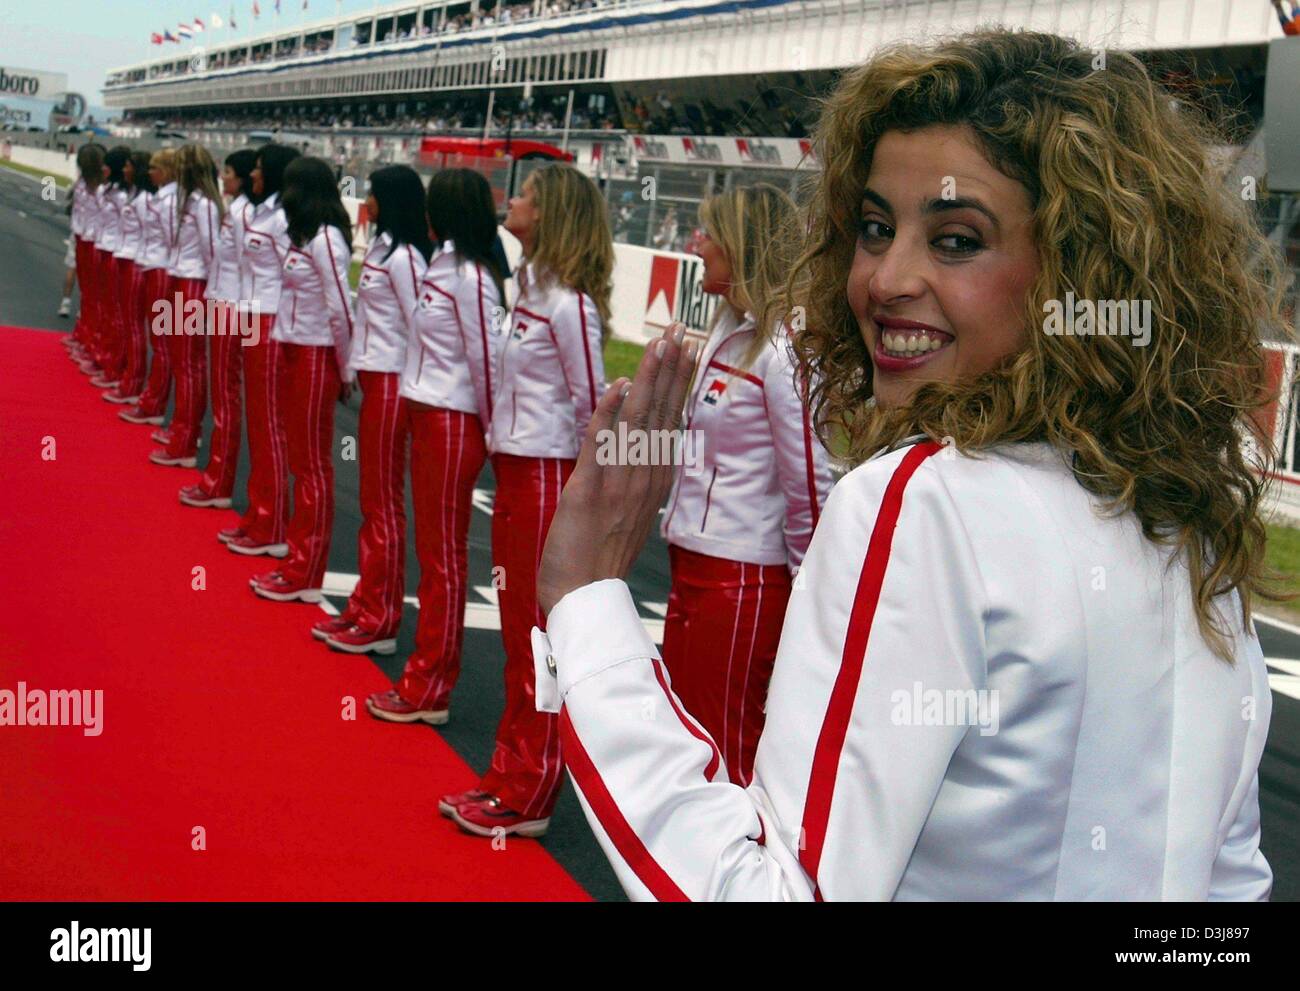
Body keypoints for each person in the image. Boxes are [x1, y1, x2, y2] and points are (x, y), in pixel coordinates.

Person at [532, 29, 1284, 900]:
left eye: (956, 240)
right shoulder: (1193, 530)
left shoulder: (923, 504)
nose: (885, 279)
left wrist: (588, 606)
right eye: (876, 228)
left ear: (1075, 271)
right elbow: (1228, 893)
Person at [443, 164, 611, 839]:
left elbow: (592, 410)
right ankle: (509, 769)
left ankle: (531, 787)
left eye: (527, 196)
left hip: (546, 478)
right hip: (516, 473)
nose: (511, 202)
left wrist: (583, 506)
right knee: (519, 639)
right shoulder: (532, 290)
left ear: (551, 215)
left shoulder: (569, 304)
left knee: (538, 640)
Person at [659, 185, 834, 787]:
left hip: (741, 582)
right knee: (685, 741)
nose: (696, 243)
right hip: (694, 564)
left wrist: (812, 605)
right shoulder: (730, 331)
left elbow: (812, 486)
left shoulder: (783, 350)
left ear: (743, 243)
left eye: (709, 232)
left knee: (725, 752)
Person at [364, 168, 506, 723]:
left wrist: (493, 433)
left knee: (443, 558)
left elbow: (488, 360)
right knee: (434, 552)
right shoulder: (444, 265)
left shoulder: (472, 278)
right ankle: (425, 673)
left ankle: (431, 684)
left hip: (453, 420)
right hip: (429, 413)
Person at [318, 166, 431, 653]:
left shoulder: (407, 258)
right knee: (372, 501)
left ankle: (381, 616)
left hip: (392, 383)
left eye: (374, 194)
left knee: (382, 503)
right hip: (374, 377)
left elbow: (420, 325)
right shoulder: (384, 248)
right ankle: (367, 603)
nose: (367, 201)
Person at [249, 156, 355, 602]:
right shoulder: (306, 235)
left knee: (312, 466)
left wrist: (346, 369)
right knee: (300, 460)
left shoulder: (328, 240)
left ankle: (307, 569)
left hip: (316, 354)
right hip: (295, 348)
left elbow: (341, 308)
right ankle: (297, 557)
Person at [222, 143, 301, 557]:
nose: (251, 174)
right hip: (253, 315)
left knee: (270, 425)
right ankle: (259, 512)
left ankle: (272, 523)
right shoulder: (264, 210)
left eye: (256, 168)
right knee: (258, 421)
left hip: (271, 320)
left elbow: (295, 277)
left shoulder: (283, 217)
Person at [180, 148, 257, 509]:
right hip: (221, 299)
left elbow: (243, 266)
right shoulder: (236, 210)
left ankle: (220, 482)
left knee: (226, 395)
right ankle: (215, 475)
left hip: (233, 305)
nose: (223, 177)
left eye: (229, 172)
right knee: (221, 392)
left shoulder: (242, 214)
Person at [150, 144, 222, 469]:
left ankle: (188, 438)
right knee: (183, 363)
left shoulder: (205, 205)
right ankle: (183, 428)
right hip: (182, 280)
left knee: (190, 364)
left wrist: (212, 291)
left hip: (194, 284)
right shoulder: (189, 200)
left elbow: (212, 251)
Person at [119, 149, 179, 428]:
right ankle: (147, 395)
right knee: (156, 340)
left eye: (155, 167)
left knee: (163, 344)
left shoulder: (168, 201)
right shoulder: (159, 197)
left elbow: (172, 241)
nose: (149, 172)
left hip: (164, 270)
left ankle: (153, 402)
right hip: (155, 266)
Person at [102, 150, 155, 406]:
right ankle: (122, 374)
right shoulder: (133, 194)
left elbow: (150, 233)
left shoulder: (145, 199)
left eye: (129, 165)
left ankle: (132, 382)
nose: (124, 169)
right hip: (126, 258)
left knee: (134, 327)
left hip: (137, 262)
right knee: (123, 321)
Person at [85, 146, 133, 392]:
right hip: (105, 248)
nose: (102, 168)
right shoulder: (109, 190)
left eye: (107, 164)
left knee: (117, 315)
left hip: (118, 253)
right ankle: (103, 356)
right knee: (105, 307)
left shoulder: (124, 196)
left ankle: (116, 367)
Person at [63, 144, 105, 365]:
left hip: (98, 243)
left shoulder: (102, 190)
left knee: (98, 298)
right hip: (85, 239)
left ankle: (95, 345)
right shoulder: (82, 186)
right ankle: (85, 338)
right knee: (89, 294)